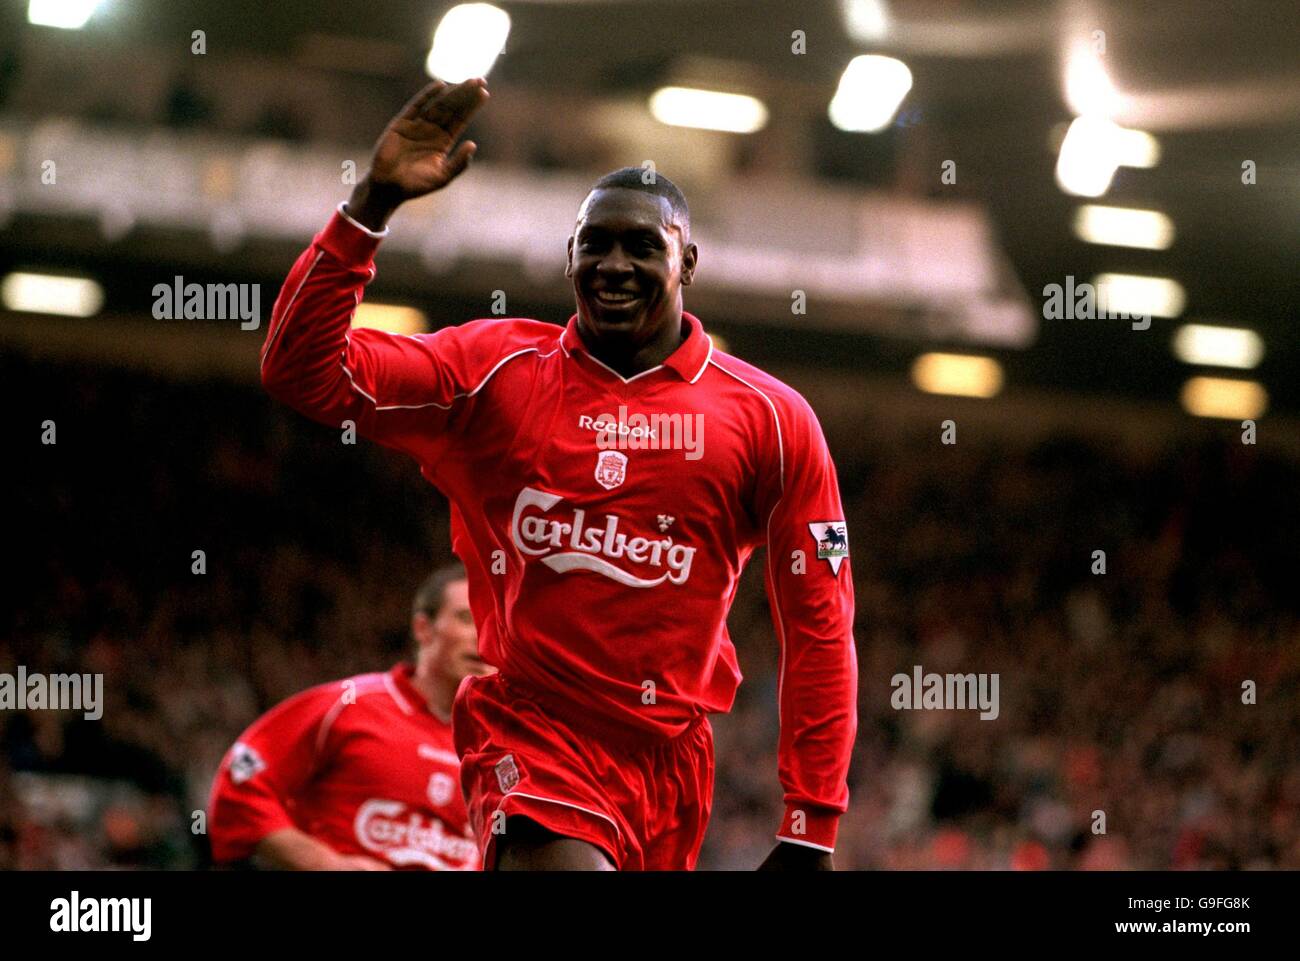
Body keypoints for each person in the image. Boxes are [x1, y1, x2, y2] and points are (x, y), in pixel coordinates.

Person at [259, 78, 858, 870]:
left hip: (671, 764)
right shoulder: (493, 371)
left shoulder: (771, 421)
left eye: (642, 246)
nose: (615, 264)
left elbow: (819, 626)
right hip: (529, 734)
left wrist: (811, 820)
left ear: (689, 261)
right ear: (569, 256)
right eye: (595, 244)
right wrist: (370, 206)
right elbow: (302, 373)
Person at [208, 564, 491, 870]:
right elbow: (241, 776)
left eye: (494, 626)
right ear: (423, 628)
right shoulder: (350, 705)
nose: (483, 637)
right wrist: (324, 863)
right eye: (466, 619)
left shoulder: (506, 746)